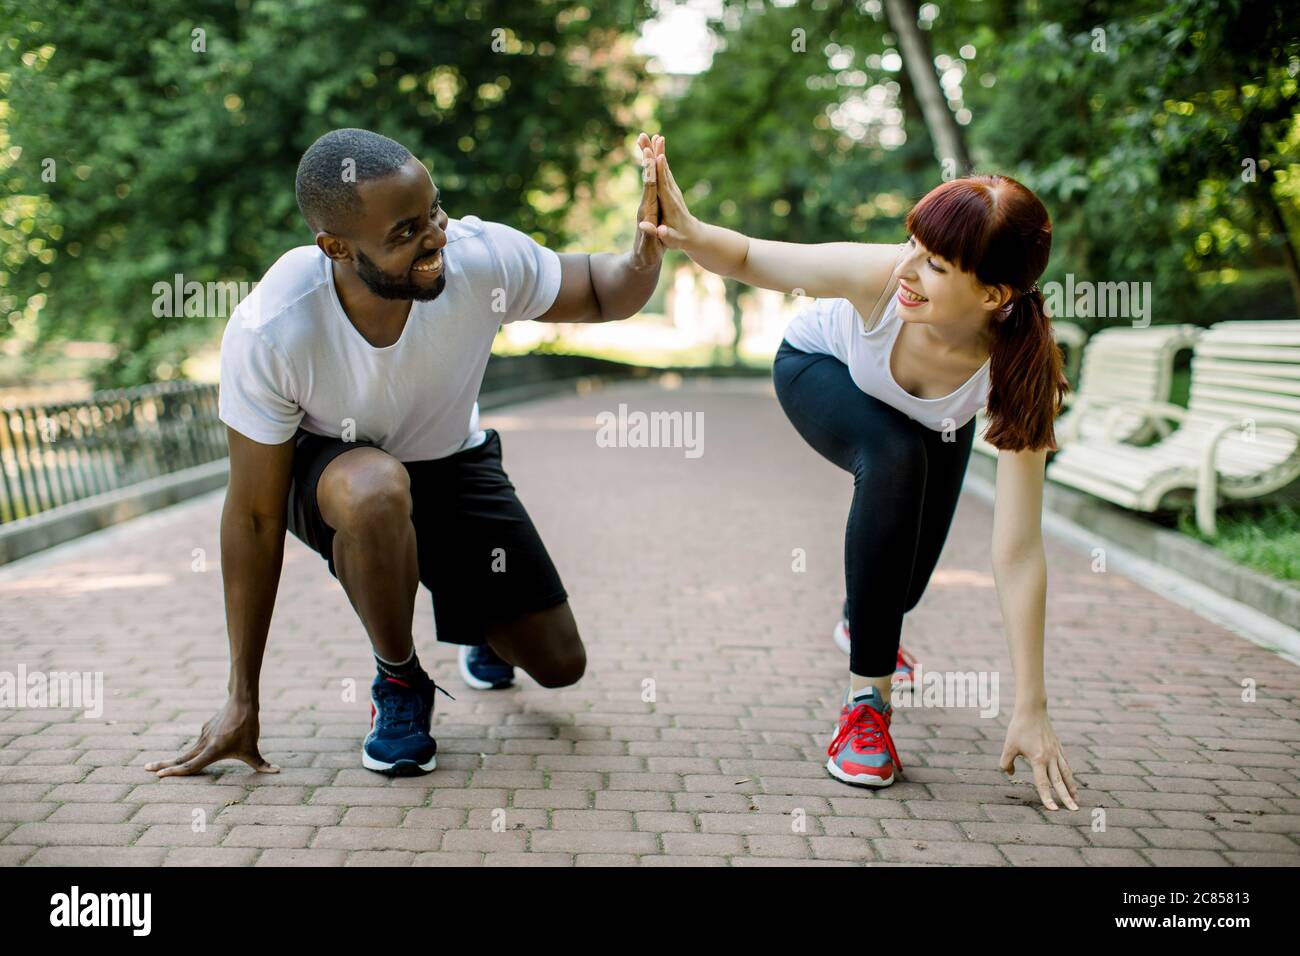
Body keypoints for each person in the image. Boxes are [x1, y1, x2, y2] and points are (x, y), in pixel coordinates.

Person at [146, 128, 668, 777]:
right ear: (336, 248)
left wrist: (644, 251)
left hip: (450, 462)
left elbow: (600, 289)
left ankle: (477, 623)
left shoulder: (479, 259)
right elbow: (254, 516)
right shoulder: (273, 327)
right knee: (376, 491)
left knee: (561, 665)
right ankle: (399, 679)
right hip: (335, 468)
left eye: (434, 212)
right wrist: (241, 699)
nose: (435, 239)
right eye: (405, 232)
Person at [640, 141, 1080, 811]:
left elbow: (1018, 550)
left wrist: (1032, 706)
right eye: (913, 245)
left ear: (993, 294)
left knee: (901, 590)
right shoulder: (882, 278)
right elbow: (753, 256)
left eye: (935, 265)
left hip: (936, 422)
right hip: (819, 368)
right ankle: (866, 707)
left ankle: (862, 620)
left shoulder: (1021, 370)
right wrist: (688, 229)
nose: (908, 268)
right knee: (895, 458)